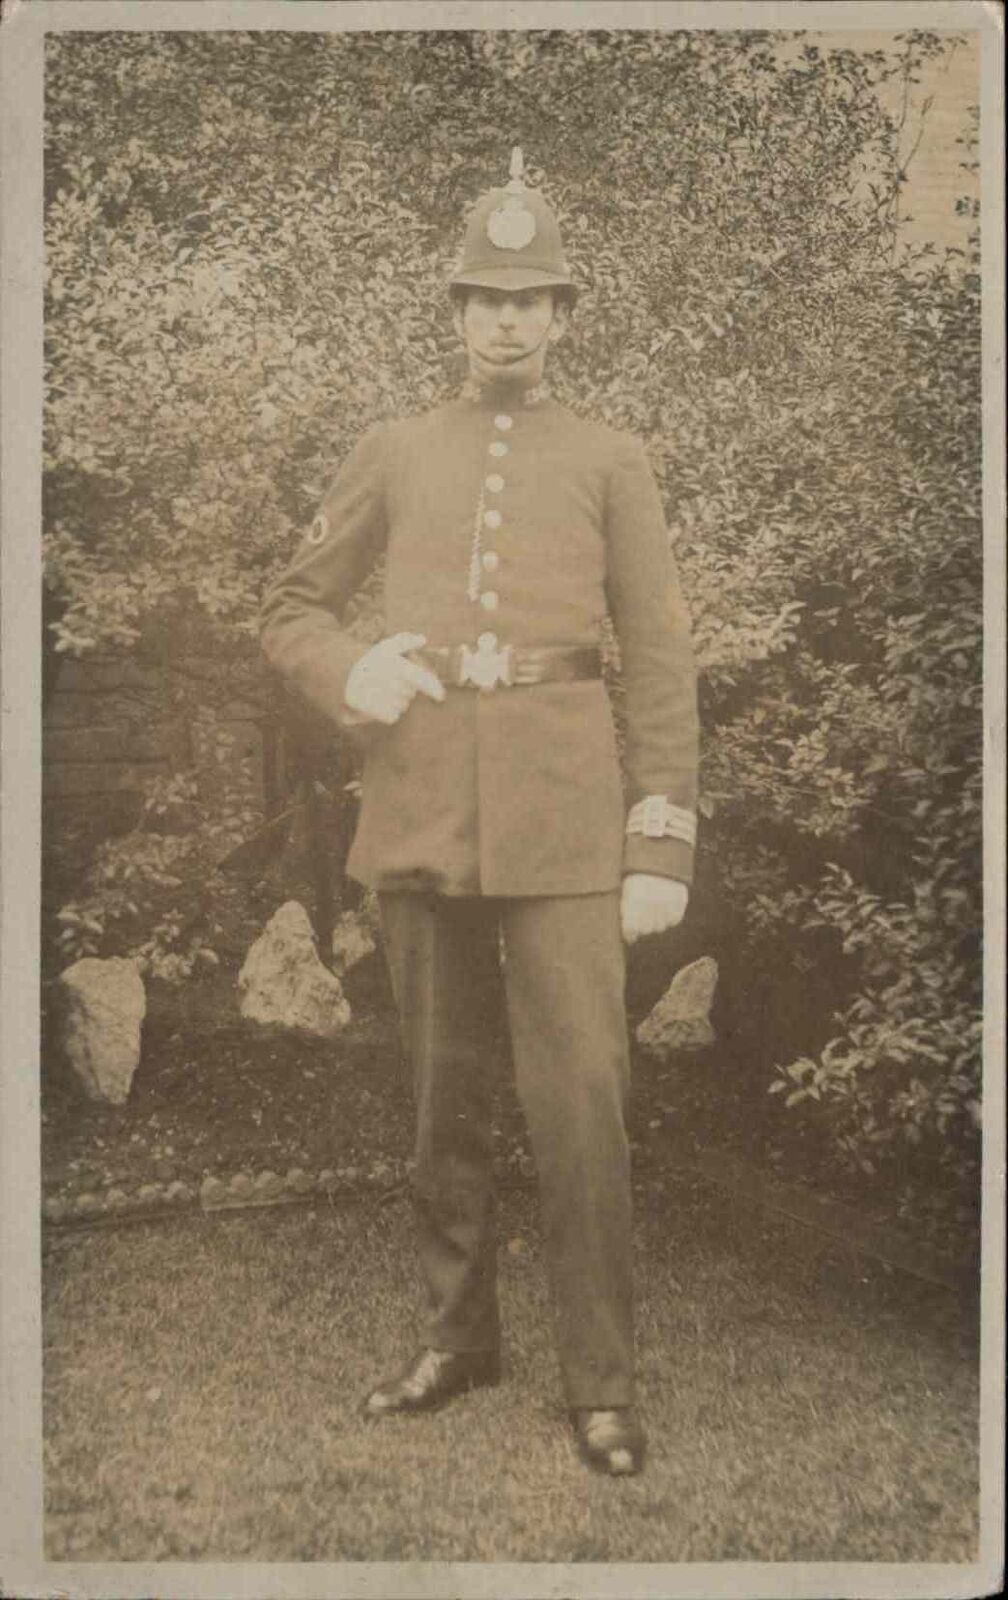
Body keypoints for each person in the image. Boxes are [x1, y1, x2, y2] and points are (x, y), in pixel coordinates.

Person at [260, 149, 699, 1477]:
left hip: (569, 823)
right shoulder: (395, 448)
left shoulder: (612, 457)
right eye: (484, 300)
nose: (507, 321)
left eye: (531, 300)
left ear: (563, 315)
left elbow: (662, 649)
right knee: (439, 1101)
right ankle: (458, 1339)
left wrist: (658, 839)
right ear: (454, 313)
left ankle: (602, 1381)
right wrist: (356, 671)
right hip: (423, 814)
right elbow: (291, 606)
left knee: (582, 1102)